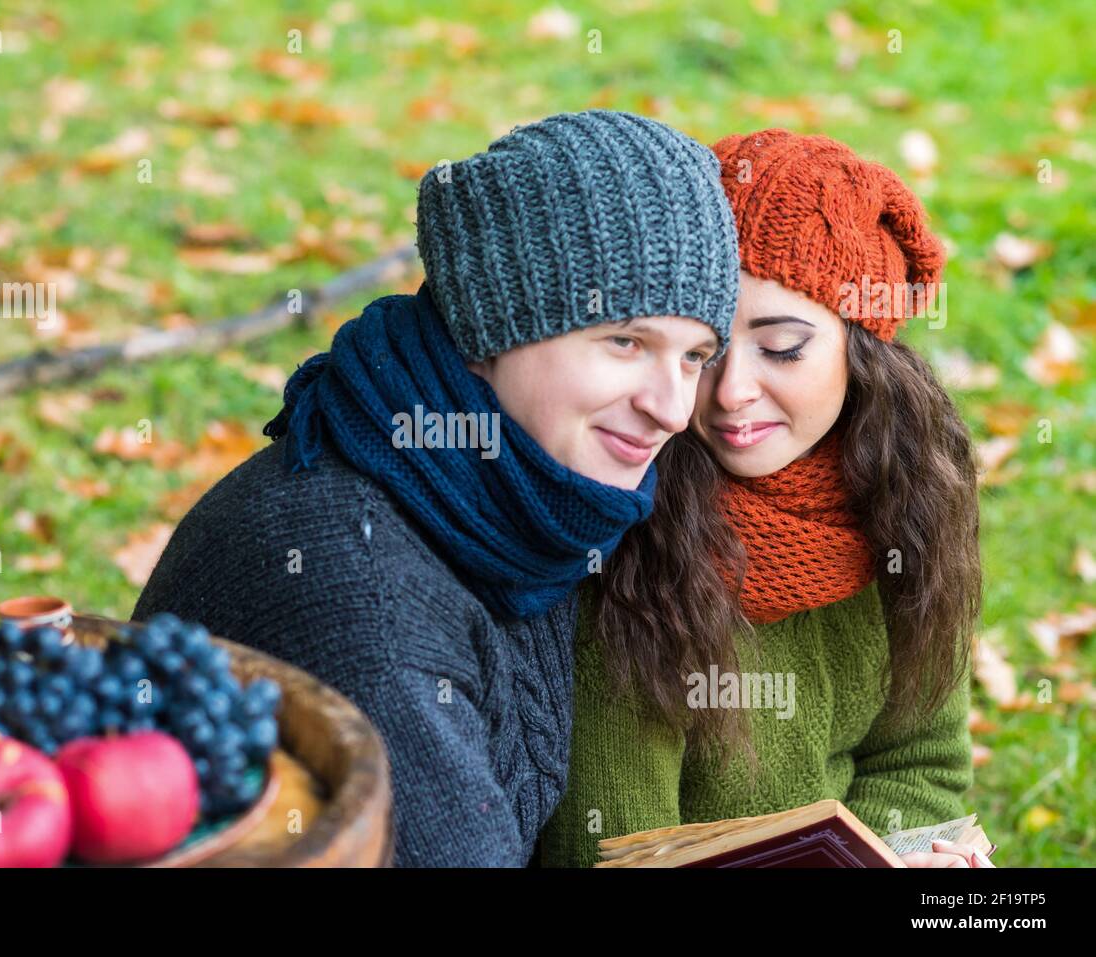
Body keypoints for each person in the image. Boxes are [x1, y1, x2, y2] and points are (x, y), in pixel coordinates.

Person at [132, 110, 740, 866]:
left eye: (694, 357)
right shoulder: (368, 599)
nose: (672, 406)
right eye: (626, 341)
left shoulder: (516, 492)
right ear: (489, 331)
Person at [540, 129, 986, 868]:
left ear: (863, 348)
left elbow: (923, 765)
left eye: (781, 347)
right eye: (704, 348)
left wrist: (903, 855)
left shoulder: (909, 499)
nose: (731, 391)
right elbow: (610, 846)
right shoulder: (627, 532)